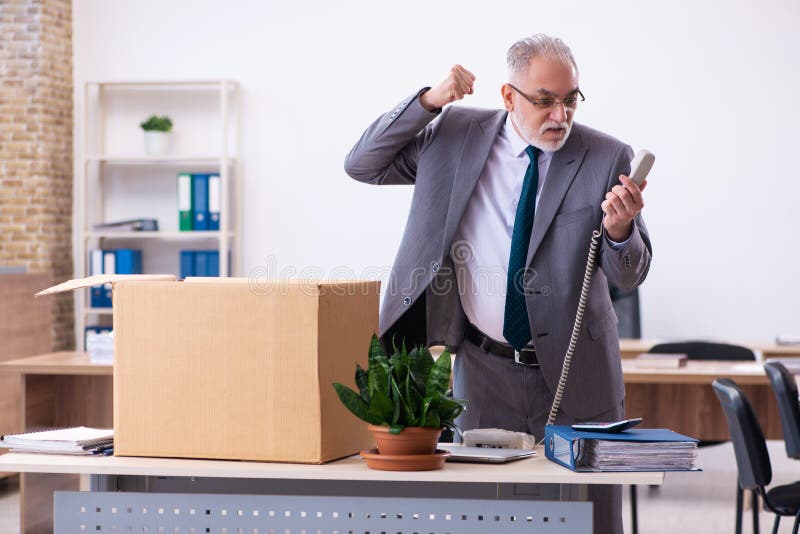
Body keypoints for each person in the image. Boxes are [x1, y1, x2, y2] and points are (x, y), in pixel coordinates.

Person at [344, 34, 652, 534]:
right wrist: (429, 101)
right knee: (487, 520)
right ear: (509, 97)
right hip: (484, 375)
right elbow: (363, 164)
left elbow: (629, 273)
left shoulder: (606, 155)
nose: (560, 115)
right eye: (545, 100)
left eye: (570, 99)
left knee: (593, 522)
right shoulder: (453, 136)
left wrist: (620, 232)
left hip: (582, 377)